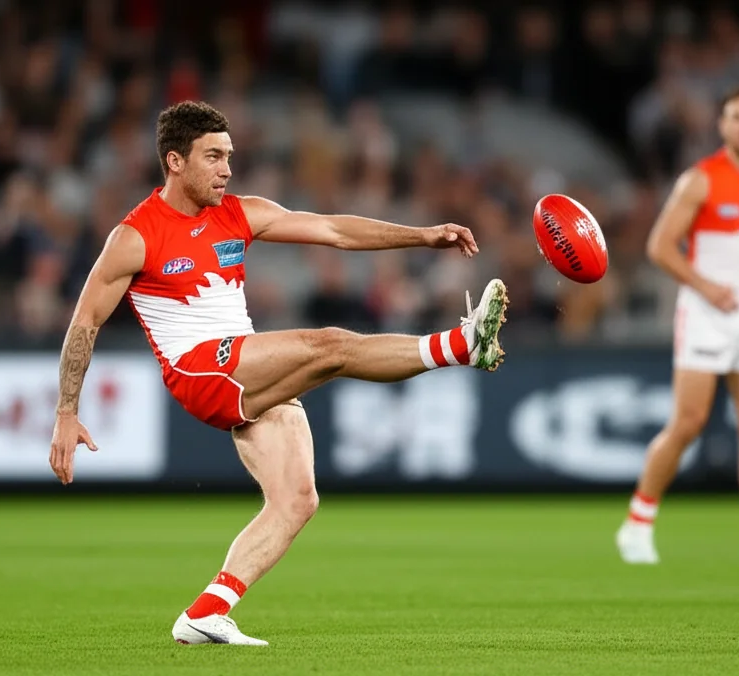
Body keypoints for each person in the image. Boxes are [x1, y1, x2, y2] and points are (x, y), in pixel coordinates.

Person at [47, 101, 509, 644]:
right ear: (174, 161)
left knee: (296, 499)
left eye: (230, 156)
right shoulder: (136, 236)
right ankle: (461, 345)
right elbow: (84, 322)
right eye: (214, 157)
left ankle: (205, 613)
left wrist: (423, 236)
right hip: (199, 369)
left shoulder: (240, 212)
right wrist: (66, 412)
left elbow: (334, 230)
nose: (227, 169)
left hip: (242, 362)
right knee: (329, 345)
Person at [615, 84, 739, 564]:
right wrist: (704, 286)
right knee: (689, 422)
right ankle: (638, 521)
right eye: (735, 116)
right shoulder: (700, 180)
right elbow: (659, 246)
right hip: (704, 314)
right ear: (722, 126)